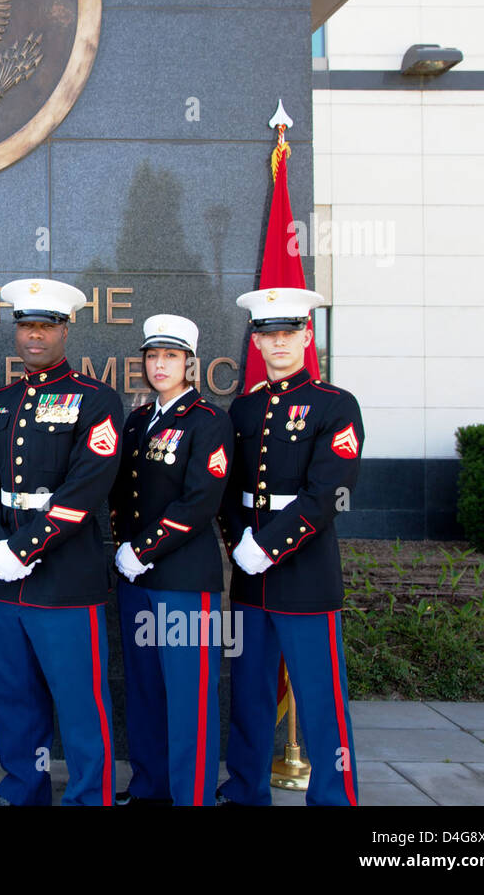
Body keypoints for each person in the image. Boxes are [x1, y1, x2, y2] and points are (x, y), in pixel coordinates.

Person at [0, 278, 123, 807]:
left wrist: (22, 549)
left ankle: (88, 796)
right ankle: (23, 790)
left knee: (80, 700)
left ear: (64, 330)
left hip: (65, 576)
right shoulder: (0, 400)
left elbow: (86, 489)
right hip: (5, 579)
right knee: (17, 697)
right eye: (26, 326)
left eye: (46, 327)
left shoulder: (96, 399)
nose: (34, 337)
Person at [217, 287, 363, 806]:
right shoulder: (244, 409)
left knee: (322, 701)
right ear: (256, 343)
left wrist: (269, 544)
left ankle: (333, 797)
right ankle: (246, 792)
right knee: (250, 698)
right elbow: (228, 489)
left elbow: (327, 493)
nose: (277, 343)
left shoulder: (336, 405)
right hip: (252, 577)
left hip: (305, 575)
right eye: (267, 335)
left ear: (305, 336)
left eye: (287, 333)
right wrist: (240, 542)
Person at [109, 314, 232, 806]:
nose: (160, 365)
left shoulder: (208, 420)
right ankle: (150, 789)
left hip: (182, 580)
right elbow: (122, 493)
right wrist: (125, 549)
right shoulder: (139, 419)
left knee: (189, 700)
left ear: (190, 364)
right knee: (145, 692)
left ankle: (190, 796)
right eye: (153, 356)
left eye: (171, 357)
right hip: (136, 581)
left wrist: (141, 550)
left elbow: (201, 501)